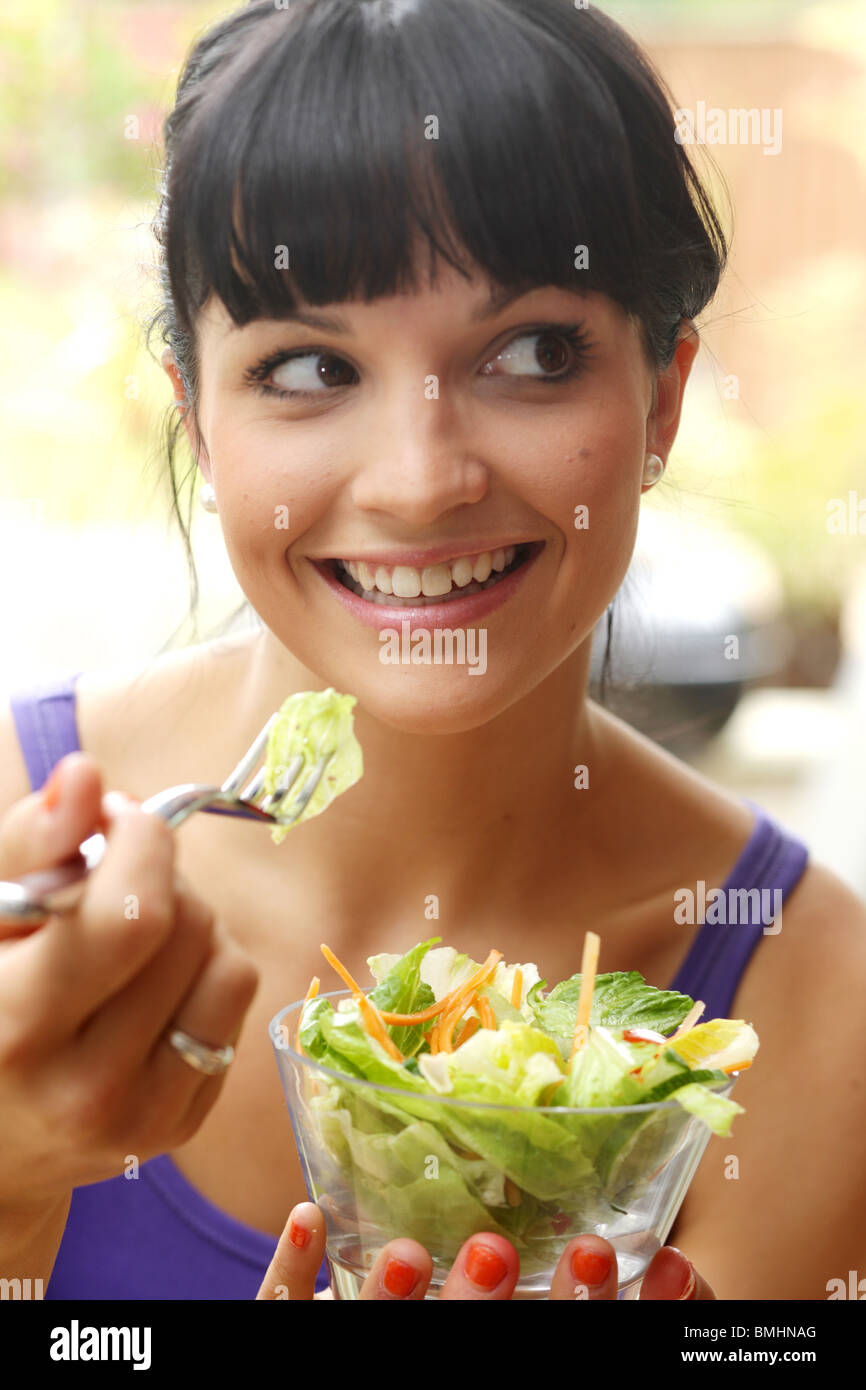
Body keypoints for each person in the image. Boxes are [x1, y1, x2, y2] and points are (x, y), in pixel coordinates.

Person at [2, 0, 865, 1303]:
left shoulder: (817, 1000)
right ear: (198, 415)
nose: (417, 484)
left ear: (661, 400)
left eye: (529, 352)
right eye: (304, 368)